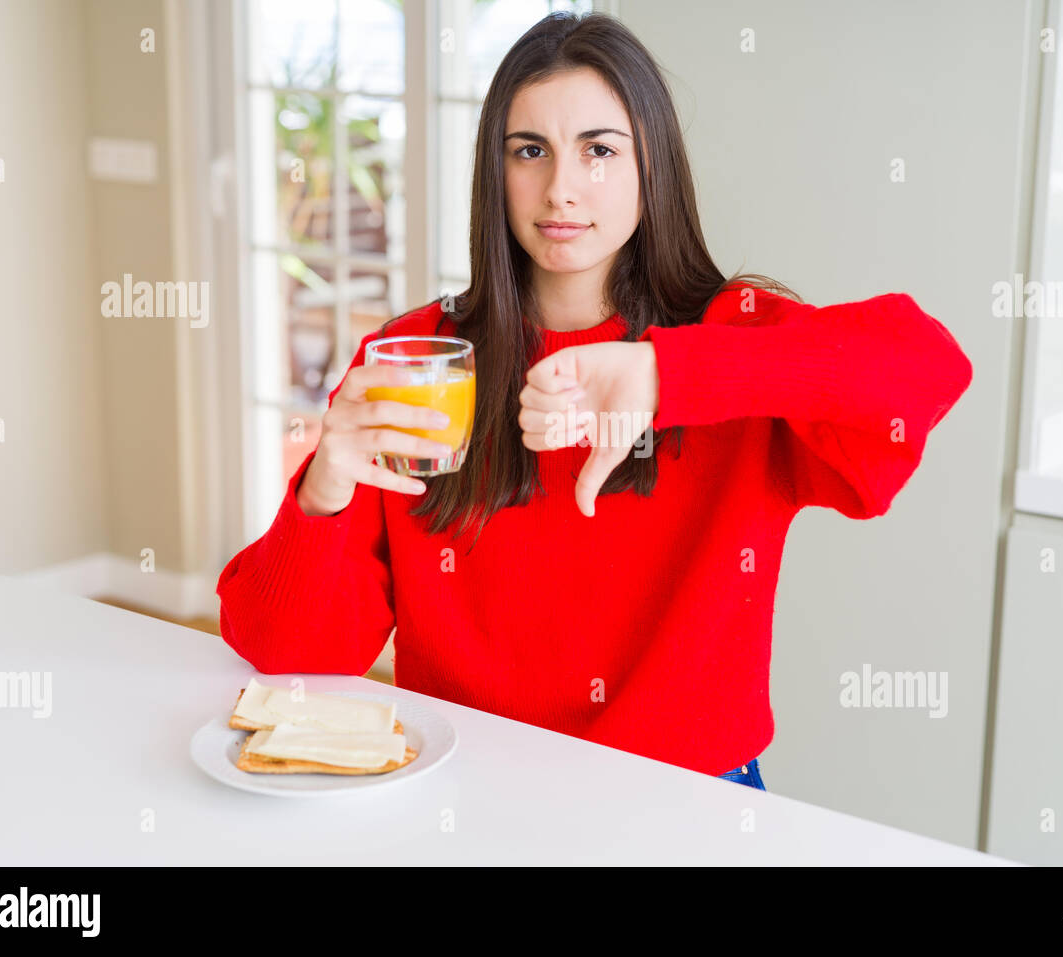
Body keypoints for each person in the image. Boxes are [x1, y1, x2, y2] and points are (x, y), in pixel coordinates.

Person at [216, 12, 973, 792]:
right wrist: (324, 485)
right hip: (463, 795)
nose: (561, 189)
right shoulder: (422, 360)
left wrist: (663, 376)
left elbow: (926, 366)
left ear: (653, 166)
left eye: (600, 150)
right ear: (497, 171)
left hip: (687, 805)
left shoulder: (730, 336)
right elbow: (289, 653)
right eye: (530, 151)